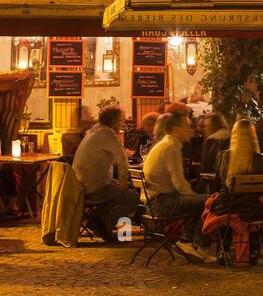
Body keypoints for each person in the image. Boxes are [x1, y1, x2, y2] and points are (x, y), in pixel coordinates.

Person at [142, 111, 214, 260]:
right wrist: (194, 196)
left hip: (153, 201)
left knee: (200, 202)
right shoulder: (171, 146)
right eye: (187, 126)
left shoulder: (165, 144)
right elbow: (179, 182)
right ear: (176, 128)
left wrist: (193, 196)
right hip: (163, 202)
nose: (191, 129)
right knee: (211, 201)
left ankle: (188, 240)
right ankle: (194, 243)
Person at [72, 106, 138, 241]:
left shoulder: (95, 130)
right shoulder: (107, 134)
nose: (123, 124)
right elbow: (122, 158)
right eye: (122, 121)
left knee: (122, 194)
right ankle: (105, 226)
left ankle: (99, 220)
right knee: (134, 198)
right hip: (95, 186)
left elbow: (104, 157)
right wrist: (123, 180)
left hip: (82, 183)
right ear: (115, 121)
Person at [220, 118, 263, 190]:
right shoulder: (260, 158)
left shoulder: (226, 156)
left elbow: (220, 184)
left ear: (234, 136)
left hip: (229, 199)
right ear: (253, 136)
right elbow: (262, 185)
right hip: (252, 200)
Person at [197, 112, 231, 191]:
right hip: (227, 183)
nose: (205, 129)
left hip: (214, 184)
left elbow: (206, 167)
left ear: (215, 126)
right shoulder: (230, 137)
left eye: (207, 126)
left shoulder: (211, 141)